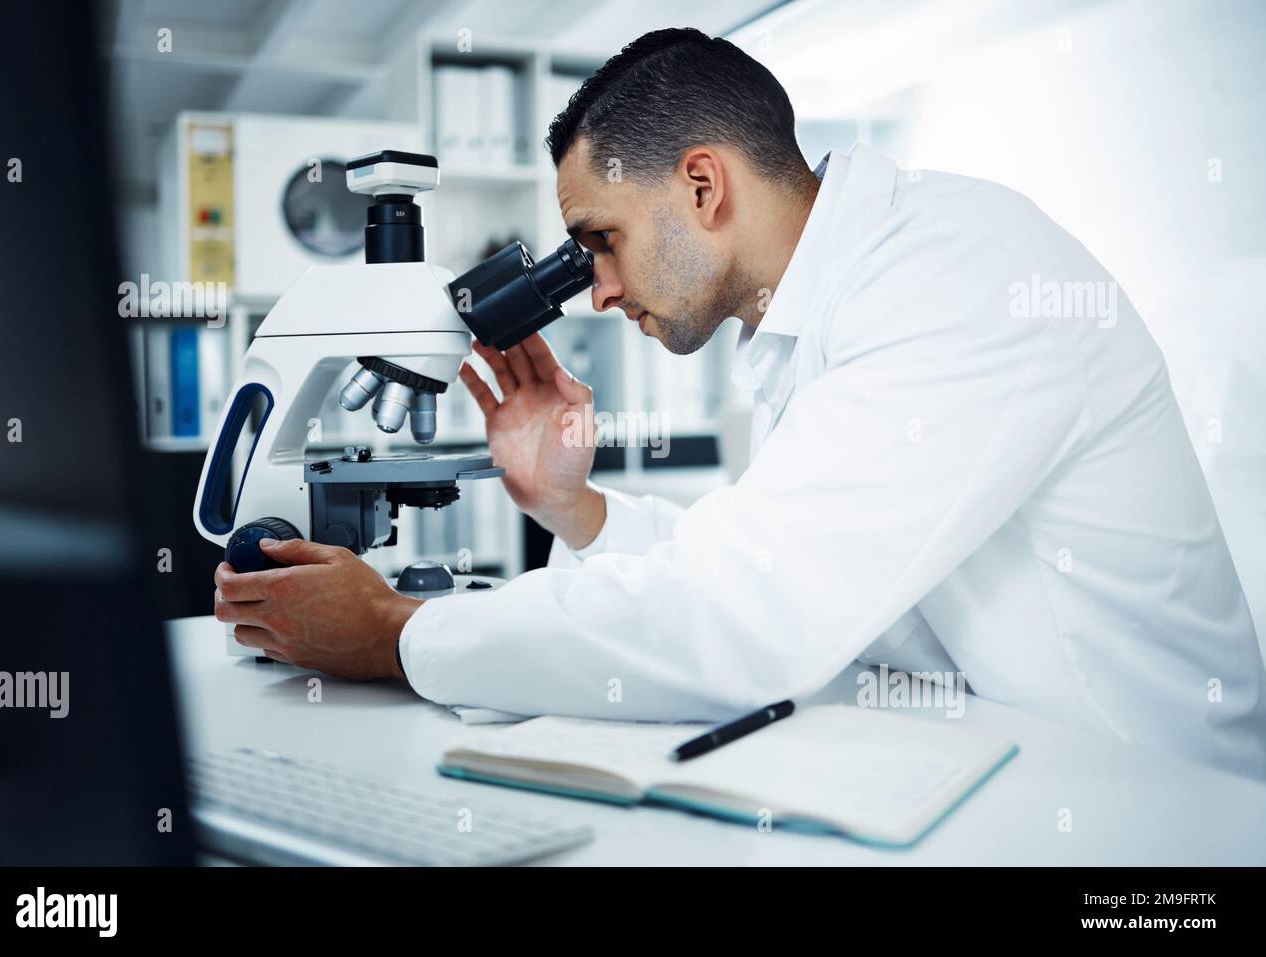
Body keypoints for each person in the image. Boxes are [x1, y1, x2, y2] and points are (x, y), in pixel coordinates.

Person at [212, 28, 1266, 780]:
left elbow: (747, 618)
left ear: (704, 187)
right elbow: (771, 568)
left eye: (600, 242)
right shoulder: (818, 312)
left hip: (1152, 814)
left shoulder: (956, 274)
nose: (602, 290)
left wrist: (397, 631)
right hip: (998, 762)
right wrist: (572, 509)